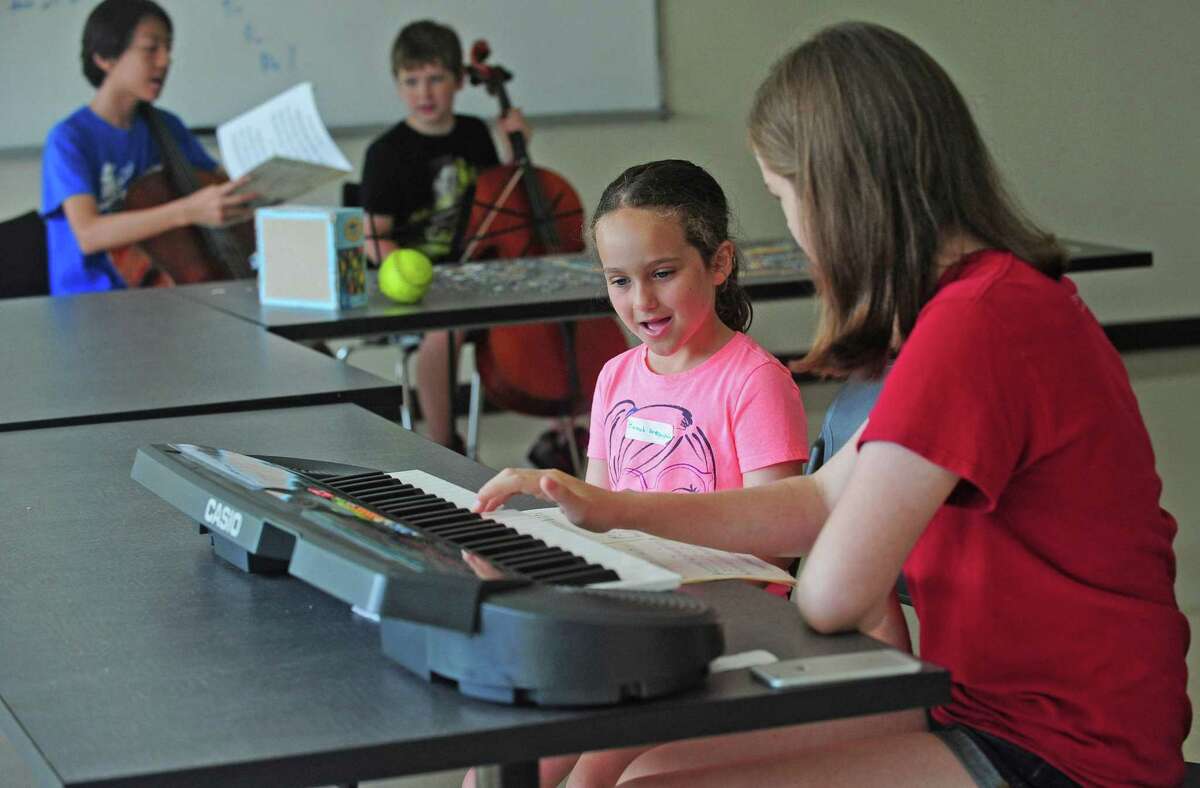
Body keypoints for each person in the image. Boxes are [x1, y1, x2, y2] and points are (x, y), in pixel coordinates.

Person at [472, 22, 1191, 788]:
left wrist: (849, 552)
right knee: (639, 766)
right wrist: (611, 510)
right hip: (972, 699)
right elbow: (821, 494)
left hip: (1060, 744)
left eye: (783, 197)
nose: (794, 229)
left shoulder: (978, 325)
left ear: (837, 191)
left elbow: (832, 592)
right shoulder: (977, 301)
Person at [464, 158, 810, 788]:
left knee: (592, 773)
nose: (640, 302)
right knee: (503, 761)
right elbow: (599, 518)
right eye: (618, 281)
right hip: (624, 619)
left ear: (720, 263)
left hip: (713, 634)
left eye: (662, 274)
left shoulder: (756, 383)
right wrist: (535, 561)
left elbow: (776, 556)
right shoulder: (615, 376)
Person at [360, 19, 529, 452]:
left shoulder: (474, 135)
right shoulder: (385, 153)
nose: (425, 93)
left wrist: (516, 151)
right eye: (411, 81)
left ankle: (567, 431)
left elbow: (502, 200)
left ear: (457, 80)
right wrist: (409, 272)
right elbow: (372, 236)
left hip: (478, 272)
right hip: (425, 284)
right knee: (443, 331)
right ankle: (441, 443)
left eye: (436, 79)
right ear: (397, 86)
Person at [41, 0, 254, 296]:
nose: (165, 61)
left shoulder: (167, 127)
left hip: (165, 300)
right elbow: (88, 233)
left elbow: (223, 184)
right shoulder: (69, 139)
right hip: (91, 307)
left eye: (169, 48)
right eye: (151, 48)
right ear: (105, 57)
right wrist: (187, 211)